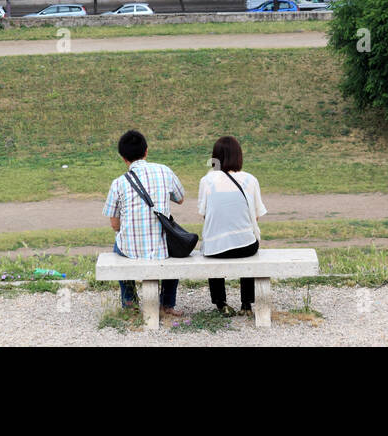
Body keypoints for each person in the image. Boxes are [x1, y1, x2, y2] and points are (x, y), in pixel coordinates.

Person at [102, 129, 185, 315]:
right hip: (161, 249)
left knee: (119, 246)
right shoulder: (164, 171)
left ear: (123, 158)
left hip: (130, 250)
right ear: (146, 151)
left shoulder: (118, 183)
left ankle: (130, 303)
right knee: (174, 247)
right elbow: (180, 198)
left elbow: (115, 225)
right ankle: (167, 304)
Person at [198, 135, 266, 316]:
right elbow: (256, 217)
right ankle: (246, 304)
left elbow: (204, 215)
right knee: (247, 239)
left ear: (216, 157)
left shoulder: (207, 181)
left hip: (215, 249)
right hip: (246, 247)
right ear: (238, 156)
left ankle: (221, 303)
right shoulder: (250, 180)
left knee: (213, 240)